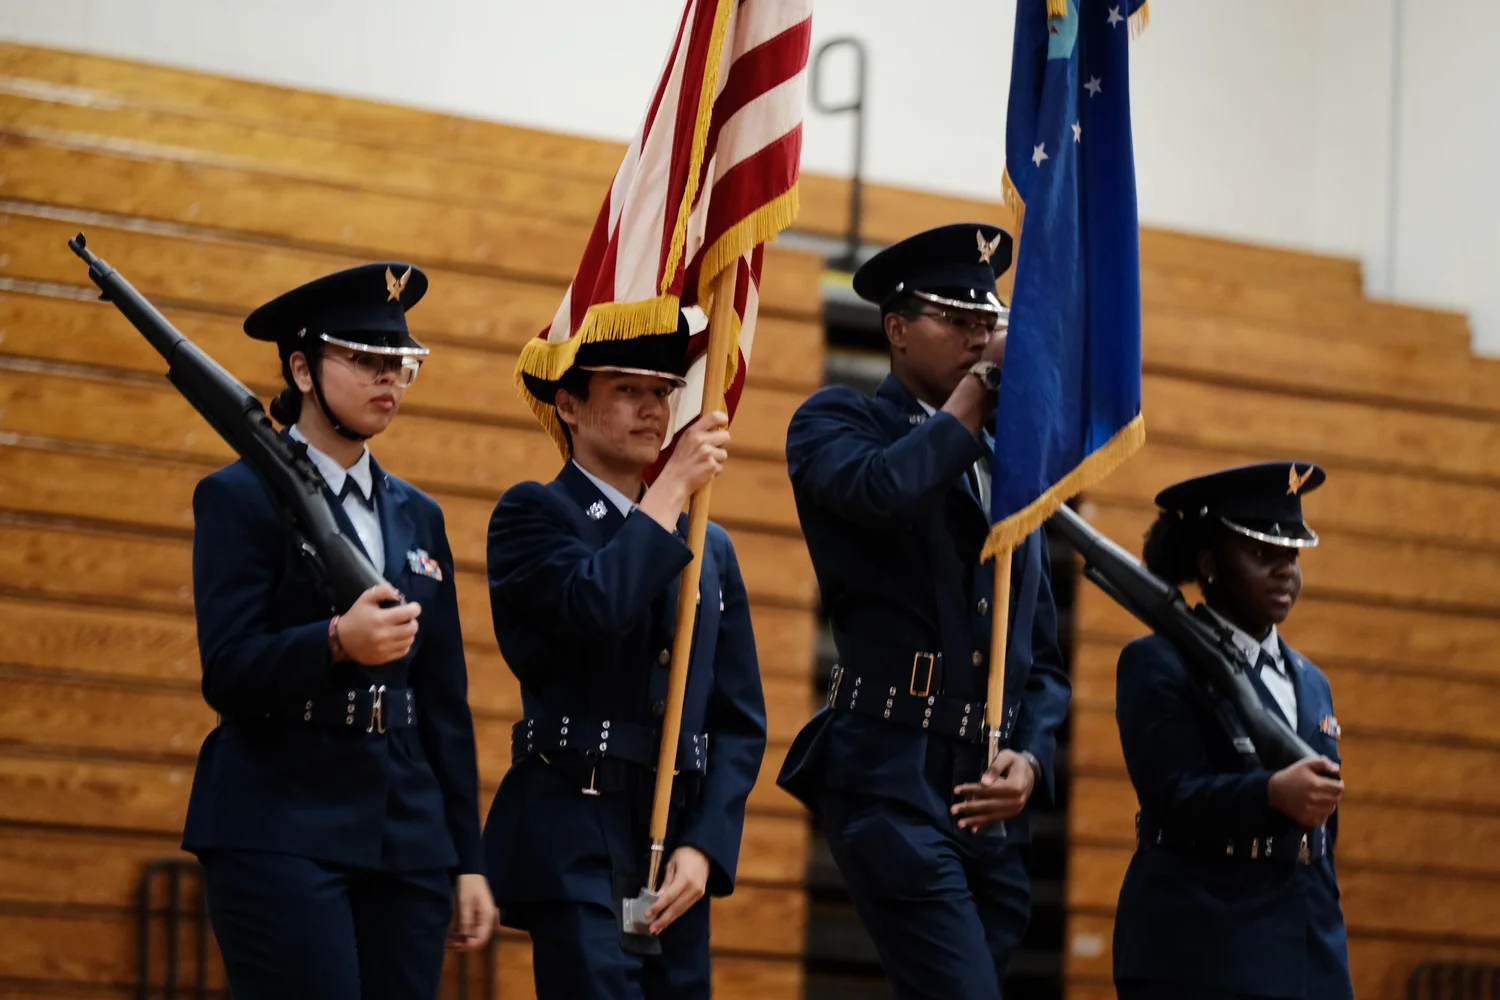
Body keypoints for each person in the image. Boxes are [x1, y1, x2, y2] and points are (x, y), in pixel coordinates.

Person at [183, 263, 496, 1000]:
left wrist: (467, 858)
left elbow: (442, 702)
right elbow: (227, 670)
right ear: (301, 366)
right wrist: (332, 643)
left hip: (406, 832)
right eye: (364, 360)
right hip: (278, 817)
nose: (388, 380)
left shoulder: (420, 516)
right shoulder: (238, 496)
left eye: (401, 365)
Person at [777, 223, 1072, 999]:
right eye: (957, 320)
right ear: (898, 328)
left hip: (988, 794)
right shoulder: (836, 422)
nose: (979, 338)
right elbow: (881, 492)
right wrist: (976, 395)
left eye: (988, 323)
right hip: (890, 774)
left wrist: (1032, 756)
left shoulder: (1013, 464)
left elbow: (1039, 655)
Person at [482, 315, 767, 999]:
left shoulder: (712, 546)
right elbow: (594, 608)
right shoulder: (533, 515)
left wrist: (706, 845)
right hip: (577, 824)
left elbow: (737, 720)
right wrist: (670, 491)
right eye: (626, 388)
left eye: (664, 390)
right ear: (570, 405)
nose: (653, 407)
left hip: (673, 844)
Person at [1112, 462, 1352, 1000]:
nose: (1285, 571)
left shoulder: (1314, 682)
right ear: (1209, 564)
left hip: (1307, 951)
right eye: (1264, 554)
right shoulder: (1158, 662)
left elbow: (1322, 838)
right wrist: (1270, 795)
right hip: (1199, 944)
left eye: (1292, 556)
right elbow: (1171, 795)